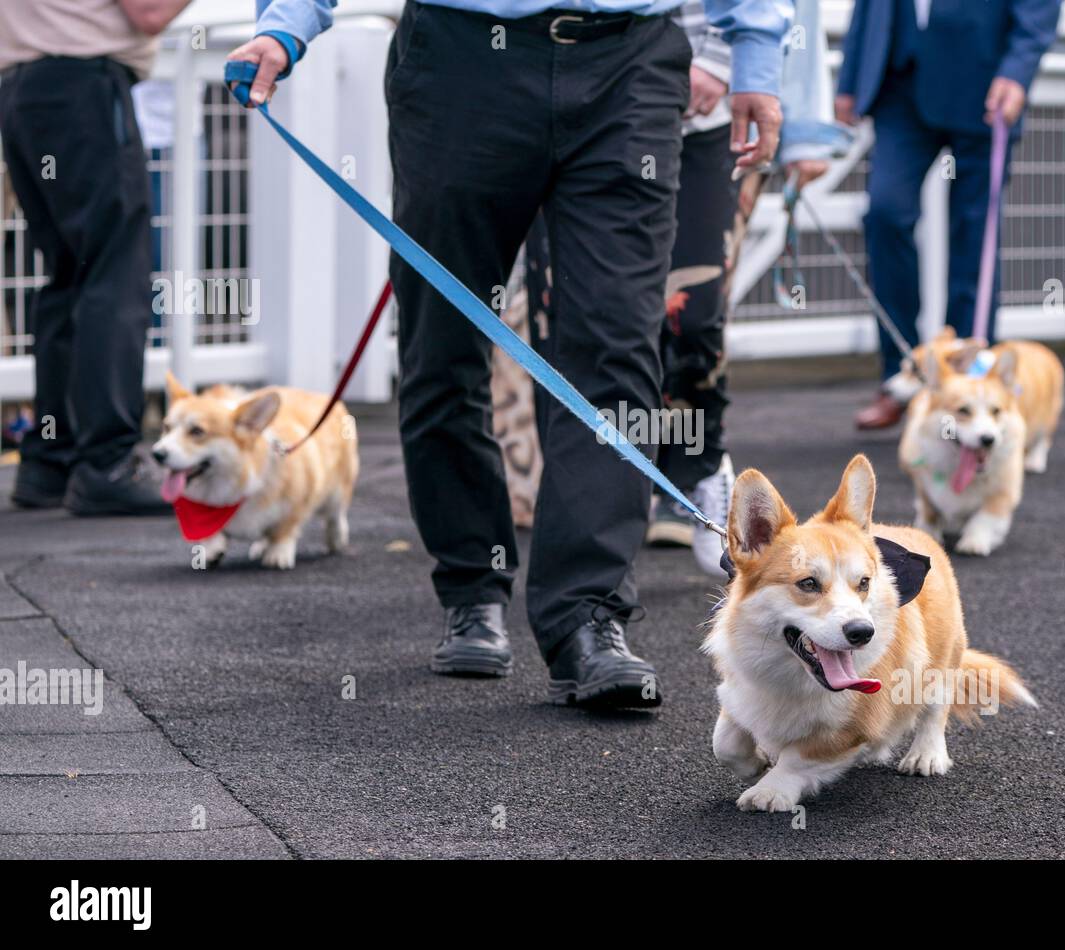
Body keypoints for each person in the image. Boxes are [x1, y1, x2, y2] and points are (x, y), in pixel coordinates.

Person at [232, 0, 790, 711]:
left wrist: (756, 56)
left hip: (631, 63)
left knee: (618, 351)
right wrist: (285, 24)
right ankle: (471, 585)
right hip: (462, 64)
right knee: (442, 343)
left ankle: (588, 617)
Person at [640, 0, 850, 576]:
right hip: (588, 101)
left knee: (693, 309)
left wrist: (804, 129)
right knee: (604, 314)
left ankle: (695, 470)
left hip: (719, 114)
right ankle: (624, 484)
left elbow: (794, 12)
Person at [0, 0, 193, 513]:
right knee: (113, 274)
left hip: (23, 89)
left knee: (69, 274)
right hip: (82, 85)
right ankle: (106, 460)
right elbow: (148, 10)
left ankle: (50, 460)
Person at [836, 0, 1061, 429]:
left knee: (974, 237)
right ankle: (901, 377)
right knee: (885, 214)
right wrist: (850, 80)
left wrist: (1017, 71)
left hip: (983, 86)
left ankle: (970, 389)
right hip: (898, 87)